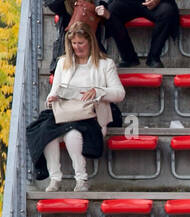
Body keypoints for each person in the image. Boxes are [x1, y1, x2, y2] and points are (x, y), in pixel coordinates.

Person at [26, 22, 124, 192]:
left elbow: (119, 93)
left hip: (90, 115)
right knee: (45, 133)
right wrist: (51, 99)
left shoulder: (105, 64)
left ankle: (81, 179)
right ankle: (55, 178)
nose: (77, 47)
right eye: (74, 43)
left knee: (72, 134)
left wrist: (98, 91)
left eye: (81, 43)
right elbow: (52, 93)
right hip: (65, 112)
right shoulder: (63, 62)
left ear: (90, 42)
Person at [94, 0, 179, 68]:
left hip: (158, 3)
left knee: (167, 10)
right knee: (111, 11)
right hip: (128, 2)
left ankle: (154, 58)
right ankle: (128, 58)